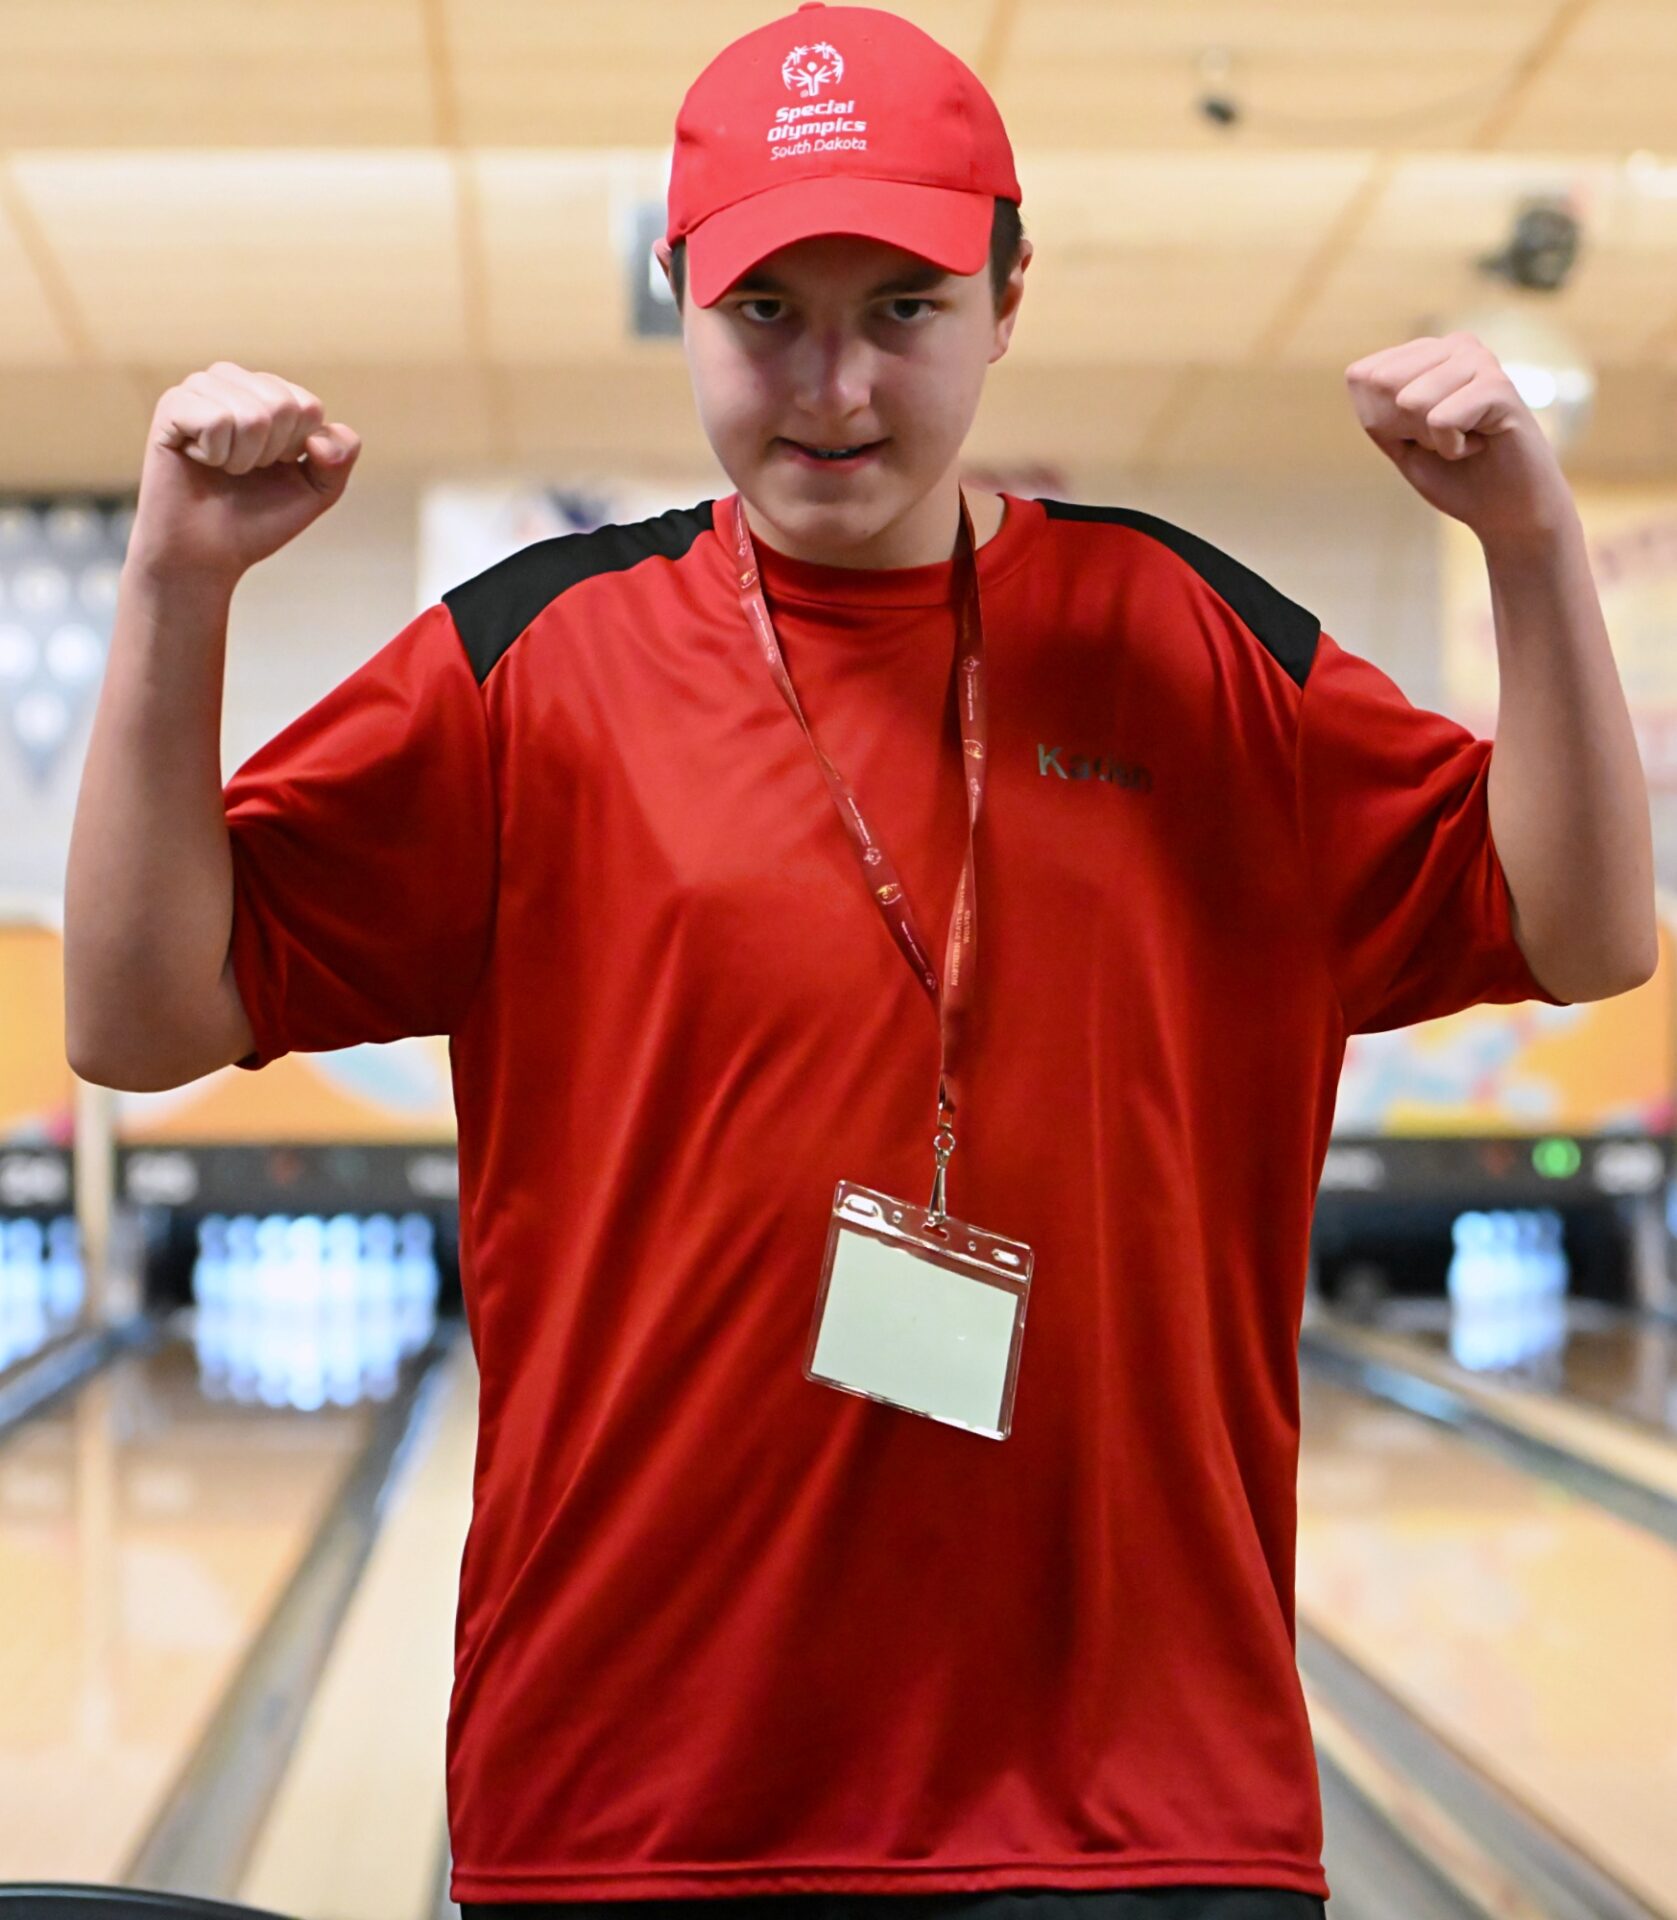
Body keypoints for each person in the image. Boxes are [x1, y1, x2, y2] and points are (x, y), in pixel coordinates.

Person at [62, 3, 1655, 1918]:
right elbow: (139, 1018)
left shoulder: (1189, 638)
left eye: (902, 308)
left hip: (1138, 1801)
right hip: (635, 1801)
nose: (832, 386)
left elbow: (1582, 929)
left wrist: (1529, 548)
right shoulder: (526, 666)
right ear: (681, 299)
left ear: (1005, 297)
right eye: (764, 317)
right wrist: (176, 585)